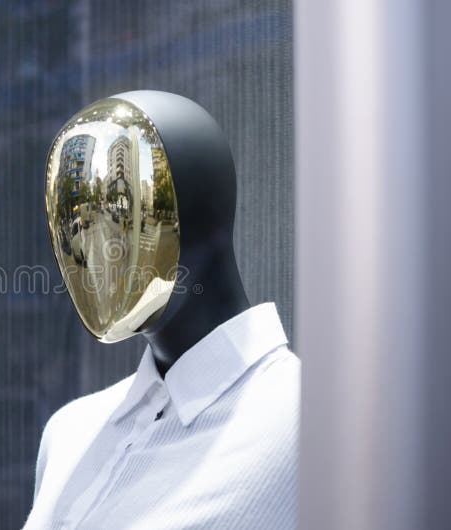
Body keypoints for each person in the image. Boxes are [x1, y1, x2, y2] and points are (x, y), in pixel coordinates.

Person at [26, 92, 300, 529]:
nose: (93, 250)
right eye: (74, 225)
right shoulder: (70, 433)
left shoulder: (306, 422)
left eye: (118, 214)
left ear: (204, 222)